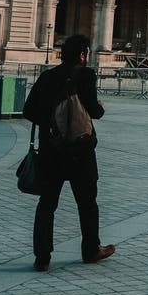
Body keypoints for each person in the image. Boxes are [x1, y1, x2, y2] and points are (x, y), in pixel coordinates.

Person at [23, 34, 115, 272]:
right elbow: (94, 112)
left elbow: (28, 111)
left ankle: (42, 257)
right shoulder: (86, 75)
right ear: (83, 54)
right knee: (87, 203)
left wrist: (52, 125)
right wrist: (99, 108)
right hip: (79, 151)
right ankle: (91, 250)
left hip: (51, 152)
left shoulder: (47, 77)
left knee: (47, 204)